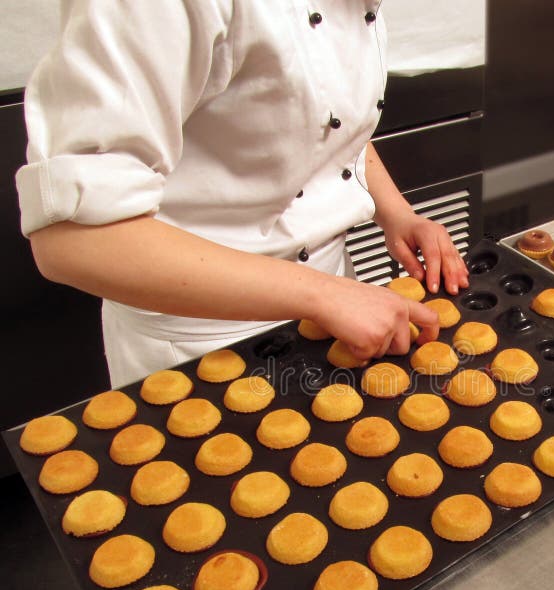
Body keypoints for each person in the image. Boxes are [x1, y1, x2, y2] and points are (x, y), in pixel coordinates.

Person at [16, 1, 470, 388]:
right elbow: (72, 240)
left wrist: (398, 214)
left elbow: (316, 121)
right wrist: (322, 295)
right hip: (201, 337)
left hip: (335, 309)